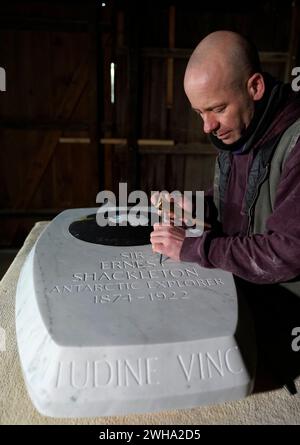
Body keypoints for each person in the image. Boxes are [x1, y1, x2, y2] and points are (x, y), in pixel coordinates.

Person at [150, 30, 300, 390]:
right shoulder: (242, 129)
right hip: (248, 292)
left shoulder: (295, 142)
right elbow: (244, 203)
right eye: (200, 112)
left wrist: (193, 248)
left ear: (255, 87)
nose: (208, 126)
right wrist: (201, 203)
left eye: (217, 109)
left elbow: (288, 252)